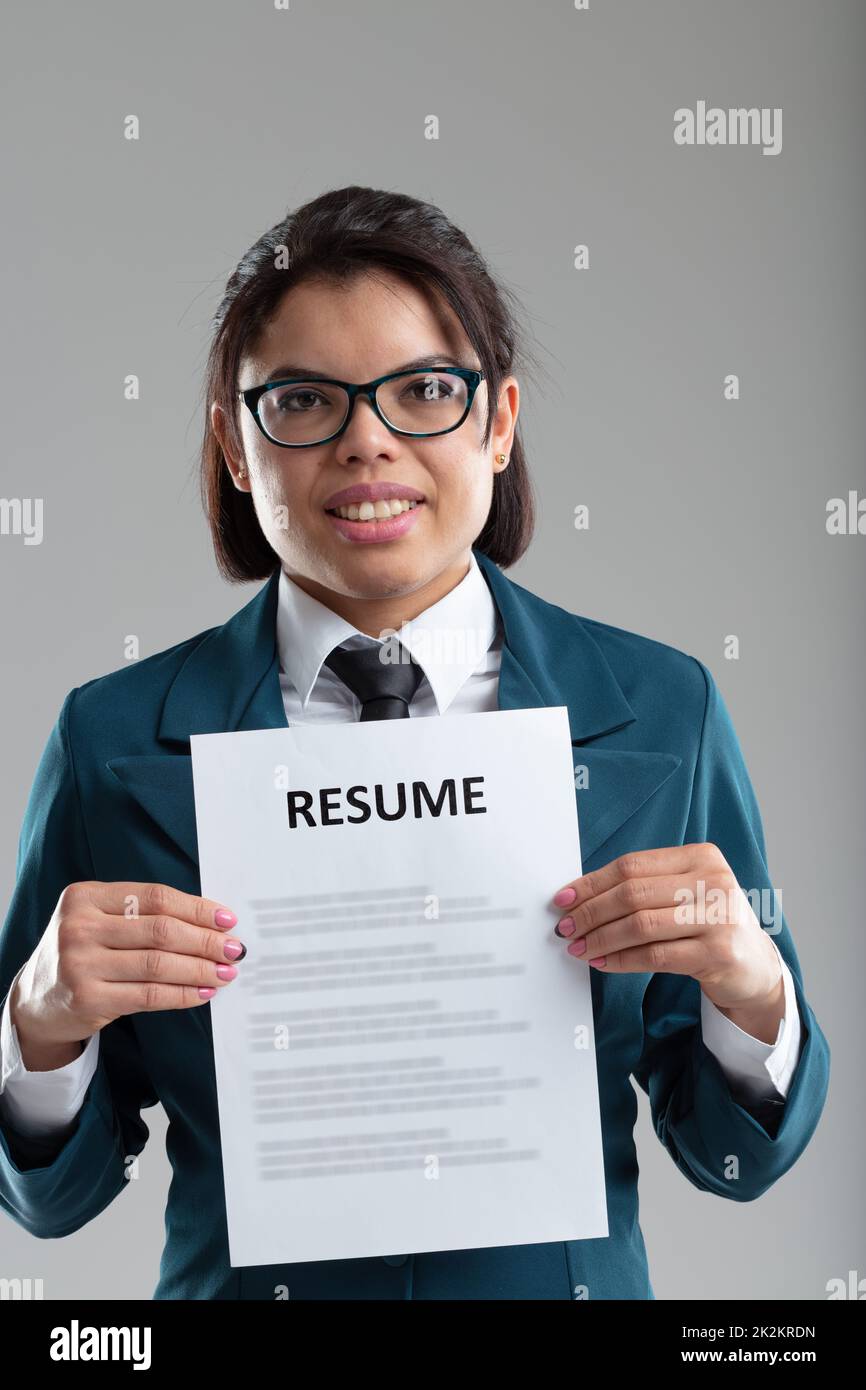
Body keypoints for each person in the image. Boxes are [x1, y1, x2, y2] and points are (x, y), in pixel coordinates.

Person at [0, 185, 830, 1300]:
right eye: (302, 400)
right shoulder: (108, 737)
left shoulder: (661, 706)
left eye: (424, 391)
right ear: (235, 447)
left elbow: (731, 1160)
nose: (366, 442)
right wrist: (39, 1027)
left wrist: (749, 986)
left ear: (496, 421)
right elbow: (53, 1199)